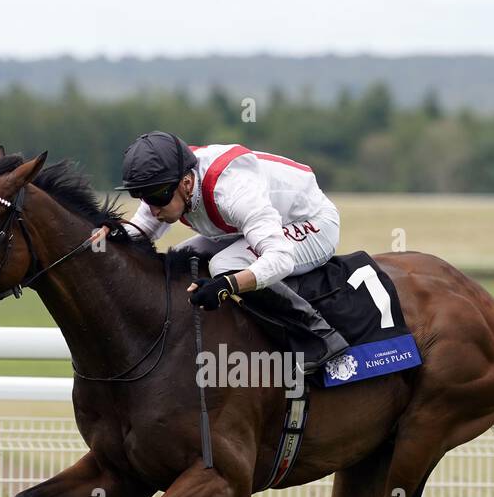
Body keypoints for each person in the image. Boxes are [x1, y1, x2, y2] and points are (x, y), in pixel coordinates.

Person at [114, 130, 349, 374]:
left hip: (313, 222)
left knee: (223, 266)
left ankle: (319, 336)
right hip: (249, 226)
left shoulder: (232, 192)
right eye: (142, 196)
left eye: (155, 197)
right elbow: (140, 232)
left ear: (186, 183)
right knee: (179, 260)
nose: (152, 209)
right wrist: (105, 235)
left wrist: (226, 285)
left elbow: (280, 259)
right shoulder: (173, 180)